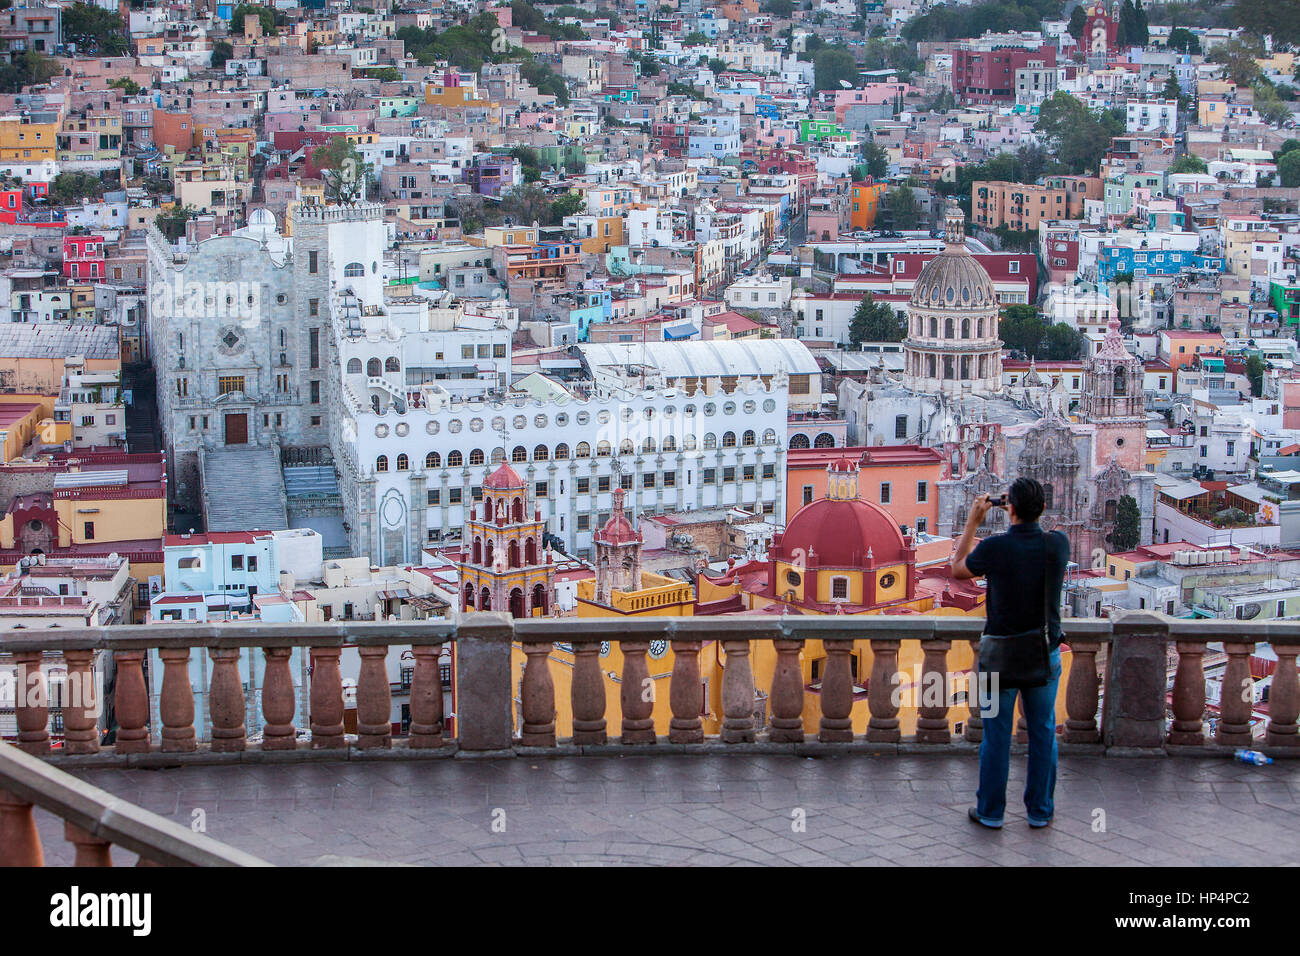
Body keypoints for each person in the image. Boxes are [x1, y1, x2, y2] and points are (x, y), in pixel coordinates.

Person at [950, 477, 1069, 829]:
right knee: (1043, 732)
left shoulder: (995, 548)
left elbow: (957, 570)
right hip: (1043, 652)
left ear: (1009, 509)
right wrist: (1022, 508)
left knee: (996, 735)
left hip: (998, 656)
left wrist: (974, 520)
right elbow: (1048, 529)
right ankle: (1039, 811)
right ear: (1043, 509)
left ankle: (990, 812)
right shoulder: (1057, 546)